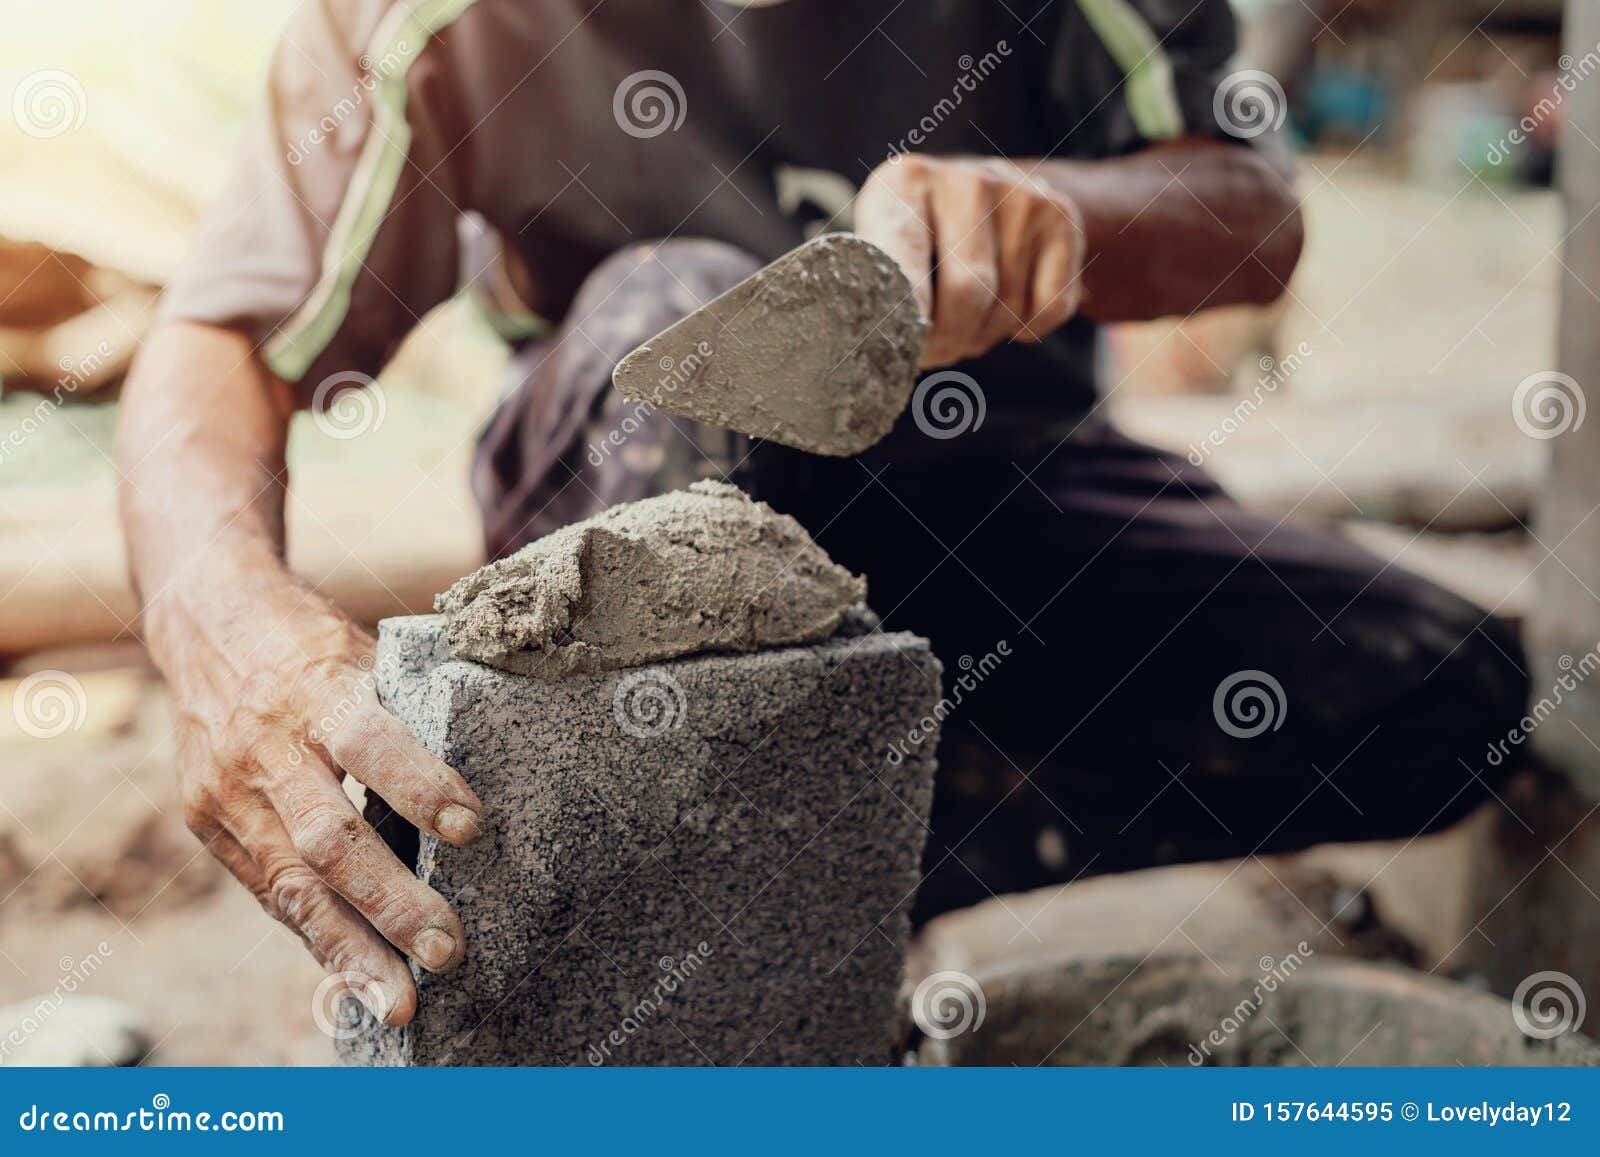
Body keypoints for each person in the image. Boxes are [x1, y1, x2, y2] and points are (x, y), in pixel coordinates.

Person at [117, 0, 1526, 1026]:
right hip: (628, 512)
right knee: (675, 320)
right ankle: (645, 978)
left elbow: (1255, 210)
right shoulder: (425, 18)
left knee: (1448, 685)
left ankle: (852, 857)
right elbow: (224, 341)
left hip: (993, 479)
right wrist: (226, 638)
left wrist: (1068, 212)